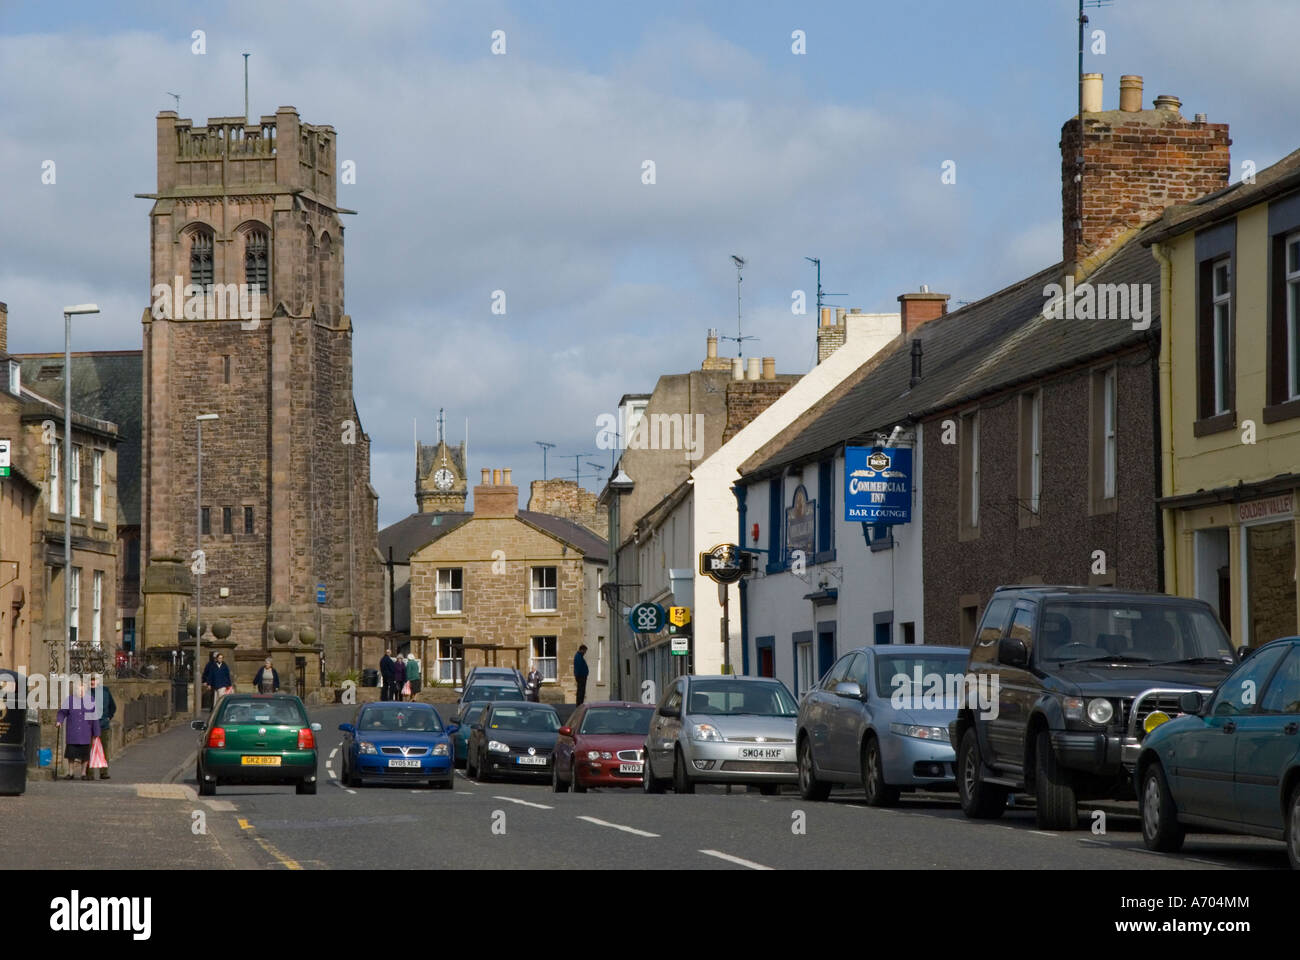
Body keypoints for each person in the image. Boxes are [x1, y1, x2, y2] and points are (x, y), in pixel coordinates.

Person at [56, 680, 100, 781]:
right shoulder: (69, 700)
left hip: (85, 731)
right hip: (73, 731)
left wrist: (96, 732)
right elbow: (62, 712)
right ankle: (70, 772)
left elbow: (94, 717)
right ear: (75, 690)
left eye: (82, 690)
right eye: (79, 690)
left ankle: (83, 773)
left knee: (85, 754)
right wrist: (59, 721)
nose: (80, 692)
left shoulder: (90, 700)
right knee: (71, 753)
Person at [88, 675, 115, 780]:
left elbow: (113, 706)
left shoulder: (105, 692)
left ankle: (104, 772)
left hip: (103, 724)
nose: (93, 682)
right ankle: (89, 773)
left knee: (103, 749)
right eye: (91, 680)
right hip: (89, 725)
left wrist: (109, 717)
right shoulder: (86, 692)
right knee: (89, 749)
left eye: (94, 680)